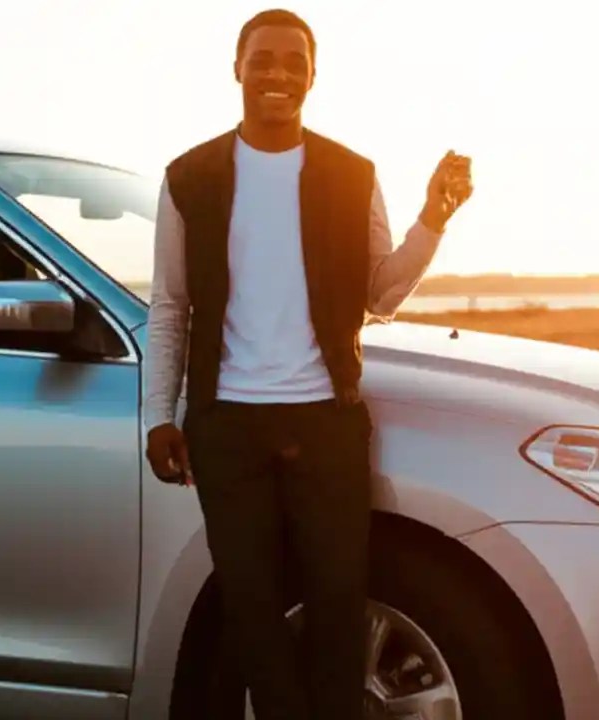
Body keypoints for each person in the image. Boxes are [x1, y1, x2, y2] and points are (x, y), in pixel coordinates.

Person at [142, 8, 472, 719]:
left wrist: (433, 221)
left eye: (294, 61)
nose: (277, 74)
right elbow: (169, 306)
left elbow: (380, 295)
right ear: (237, 68)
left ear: (313, 76)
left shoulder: (352, 176)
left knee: (335, 606)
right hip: (225, 428)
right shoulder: (190, 178)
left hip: (326, 424)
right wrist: (158, 418)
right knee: (254, 610)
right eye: (262, 59)